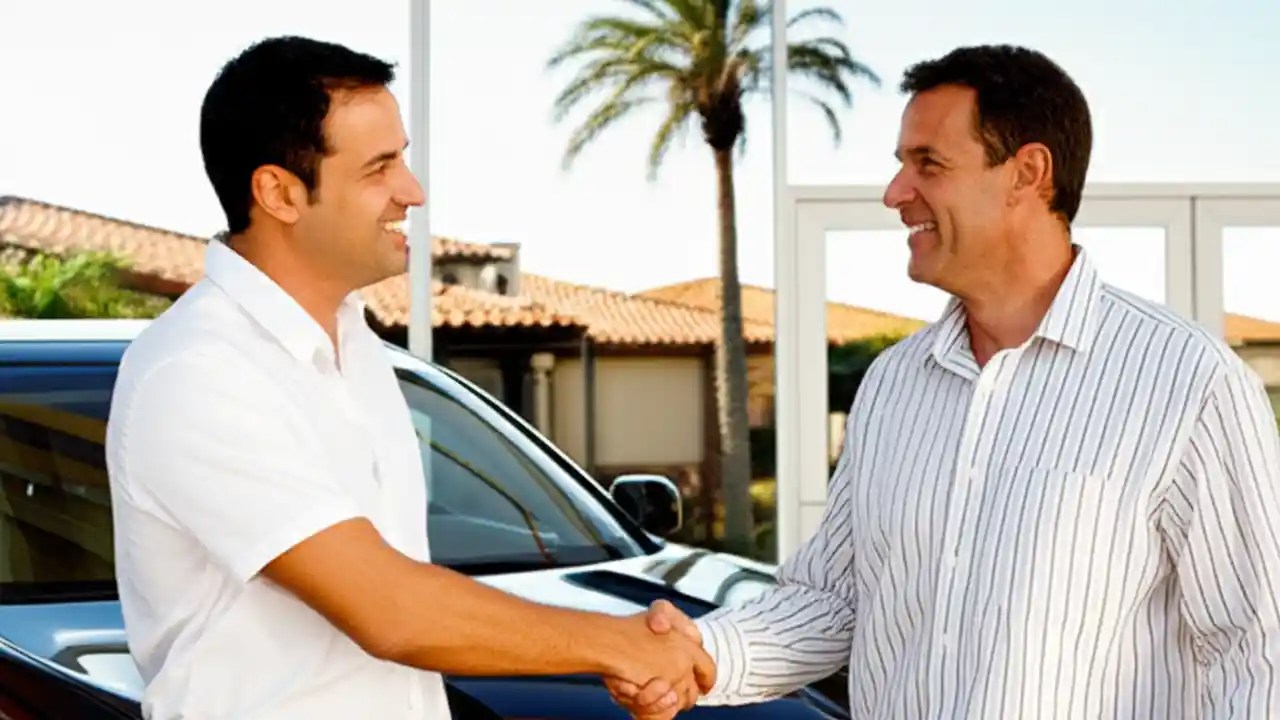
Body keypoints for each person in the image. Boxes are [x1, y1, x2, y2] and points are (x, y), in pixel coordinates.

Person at [610, 43, 1280, 720]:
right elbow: (834, 599)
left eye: (928, 164)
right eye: (902, 165)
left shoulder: (1188, 382)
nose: (896, 194)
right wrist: (702, 656)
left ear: (1029, 173)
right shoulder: (893, 384)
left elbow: (1256, 650)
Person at [104, 35, 712, 719]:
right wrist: (619, 644)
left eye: (404, 158)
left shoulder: (356, 346)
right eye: (379, 167)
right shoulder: (198, 372)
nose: (411, 192)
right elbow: (391, 609)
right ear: (279, 191)